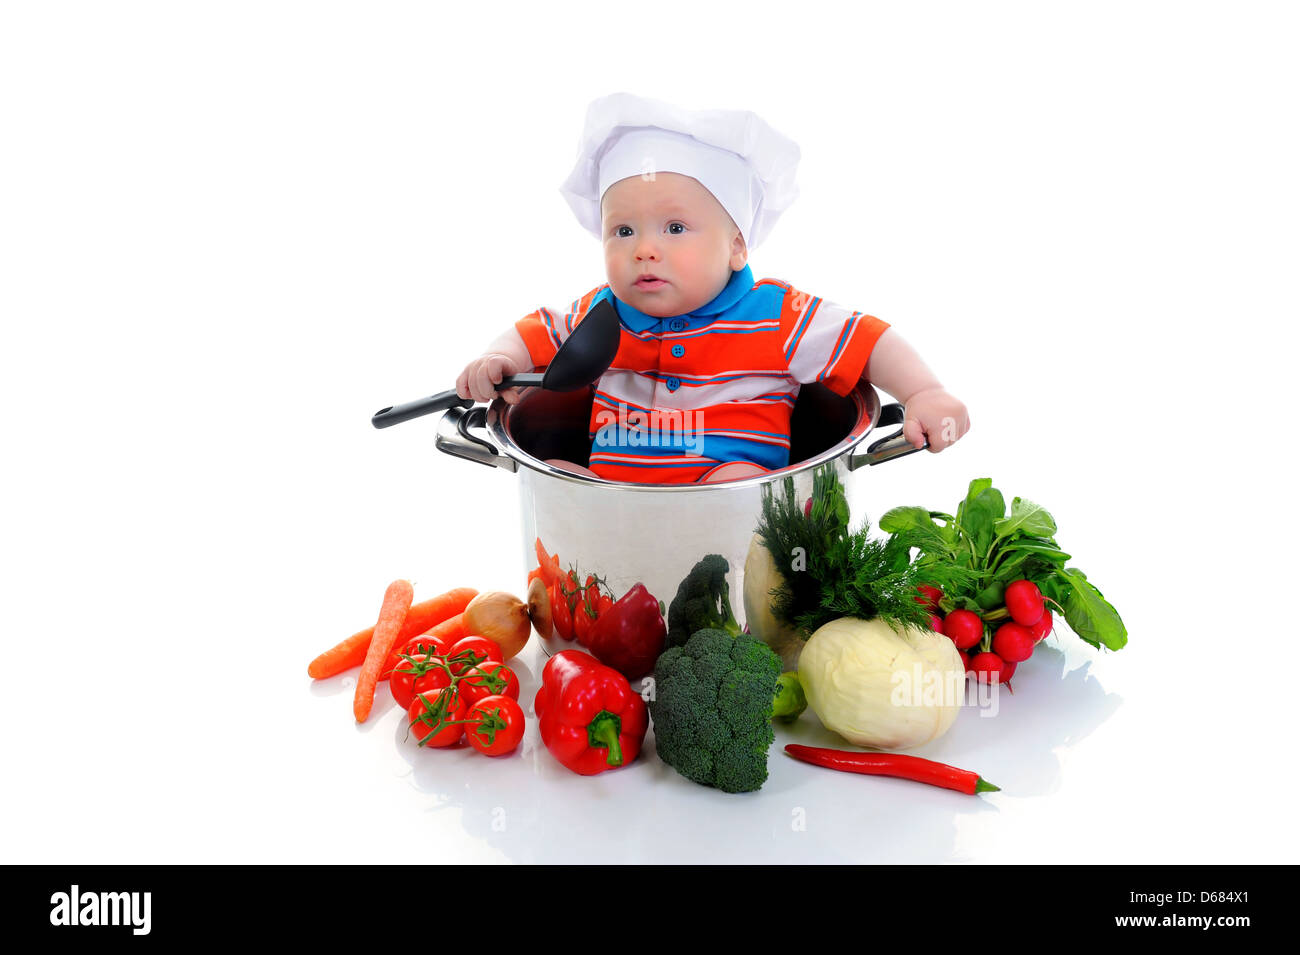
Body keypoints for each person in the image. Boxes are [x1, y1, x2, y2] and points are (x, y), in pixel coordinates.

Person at [455, 93, 969, 484]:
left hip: (724, 497)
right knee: (558, 473)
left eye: (675, 229)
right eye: (623, 231)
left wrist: (925, 393)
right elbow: (532, 335)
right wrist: (497, 359)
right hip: (612, 500)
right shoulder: (600, 314)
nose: (644, 249)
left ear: (736, 247)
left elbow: (869, 341)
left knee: (744, 484)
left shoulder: (777, 315)